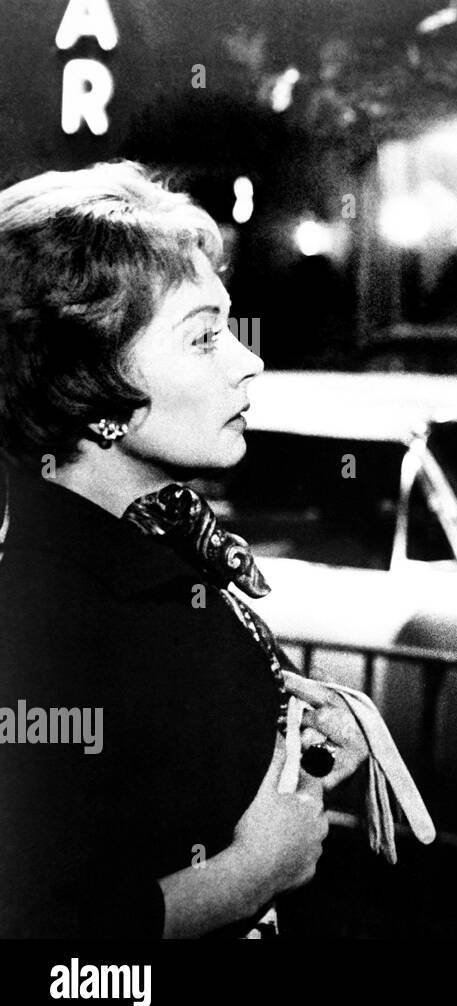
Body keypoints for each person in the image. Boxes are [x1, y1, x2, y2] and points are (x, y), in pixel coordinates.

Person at [0, 161, 369, 938]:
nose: (247, 360)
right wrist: (244, 880)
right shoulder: (46, 615)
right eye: (202, 336)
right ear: (89, 386)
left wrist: (283, 741)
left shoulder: (150, 551)